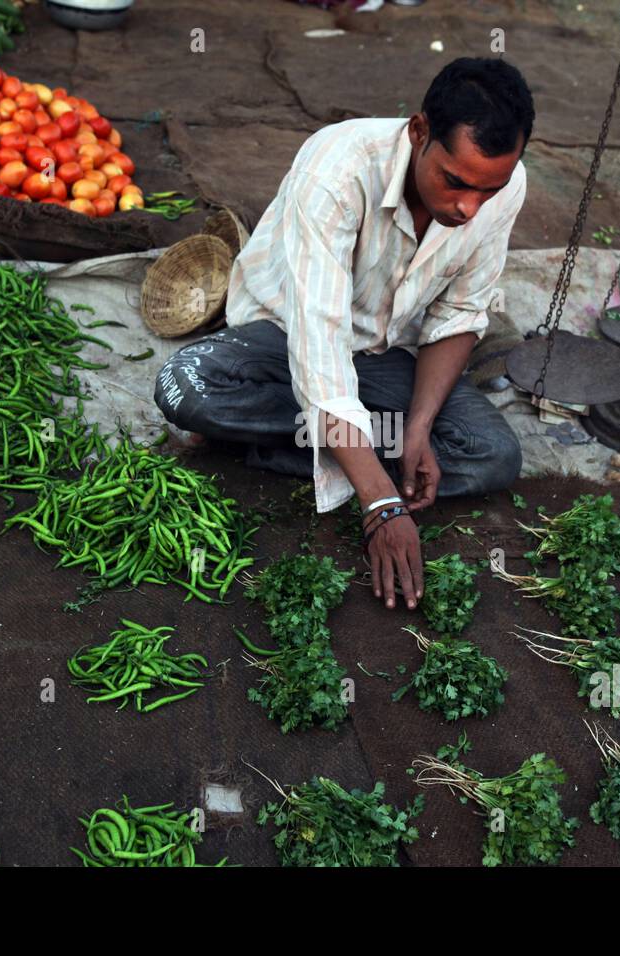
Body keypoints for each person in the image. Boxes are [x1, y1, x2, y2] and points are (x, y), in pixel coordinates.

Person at [154, 57, 533, 610]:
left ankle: (280, 449)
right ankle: (355, 461)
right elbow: (319, 344)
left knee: (494, 455)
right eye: (454, 182)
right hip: (285, 338)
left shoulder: (505, 184)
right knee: (185, 387)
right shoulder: (336, 170)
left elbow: (459, 312)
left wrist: (419, 429)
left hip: (387, 353)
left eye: (488, 190)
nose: (469, 208)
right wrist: (381, 502)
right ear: (419, 131)